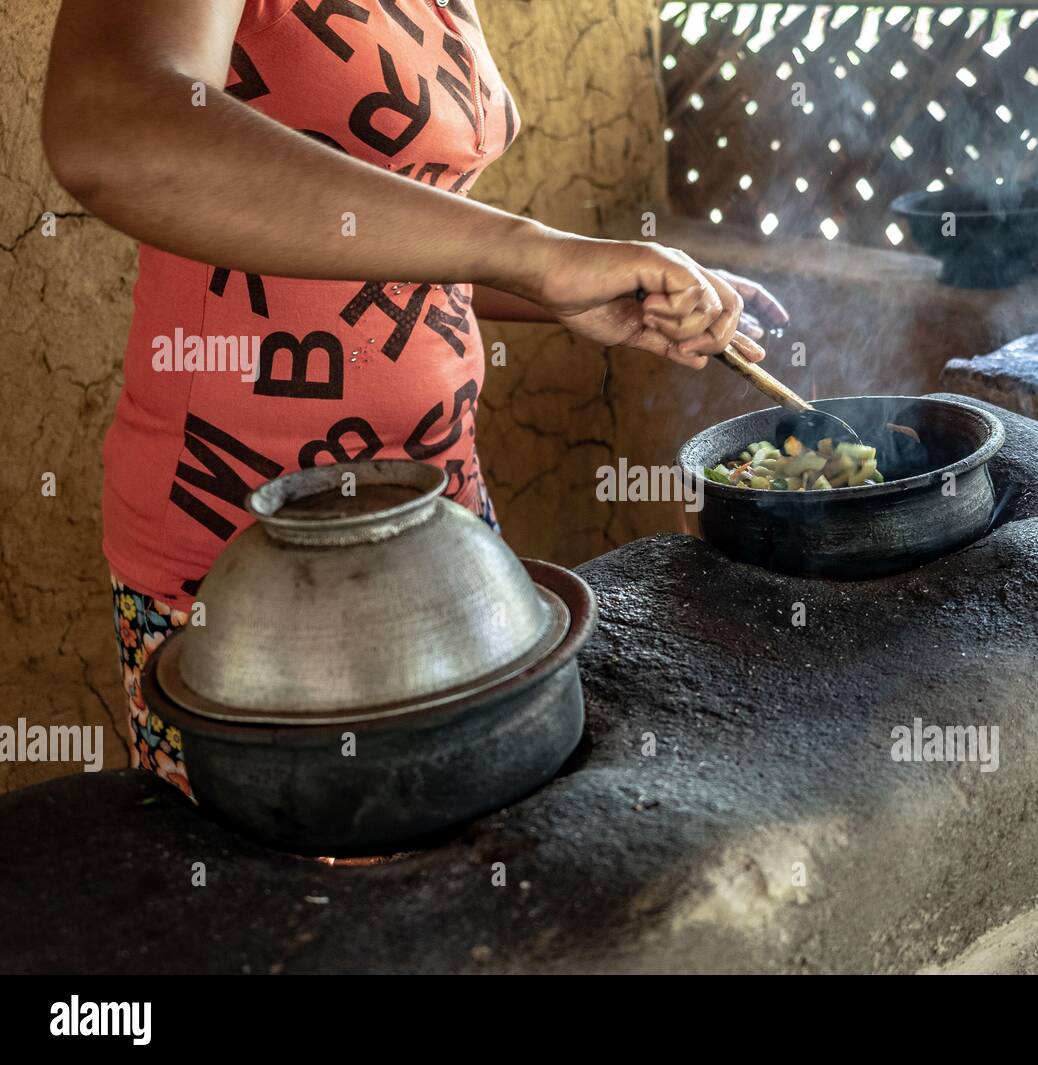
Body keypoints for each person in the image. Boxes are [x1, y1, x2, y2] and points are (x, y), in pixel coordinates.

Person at [41, 0, 788, 797]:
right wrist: (534, 252)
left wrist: (590, 286)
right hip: (246, 560)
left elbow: (387, 232)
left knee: (462, 863)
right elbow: (110, 125)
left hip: (444, 519)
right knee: (296, 899)